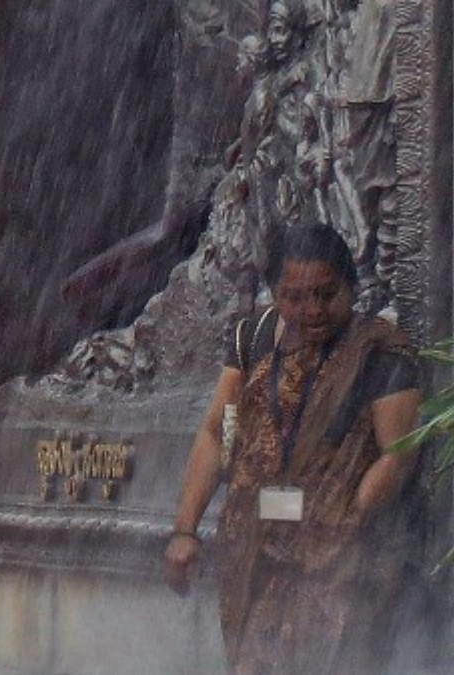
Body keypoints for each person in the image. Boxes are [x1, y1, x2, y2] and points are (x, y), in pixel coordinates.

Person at [164, 224, 421, 675]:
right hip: (255, 554)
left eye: (326, 294)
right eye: (295, 297)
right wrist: (185, 530)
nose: (312, 310)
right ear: (274, 294)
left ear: (351, 287)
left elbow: (397, 454)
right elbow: (218, 433)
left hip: (341, 565)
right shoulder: (255, 339)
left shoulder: (379, 353)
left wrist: (342, 517)